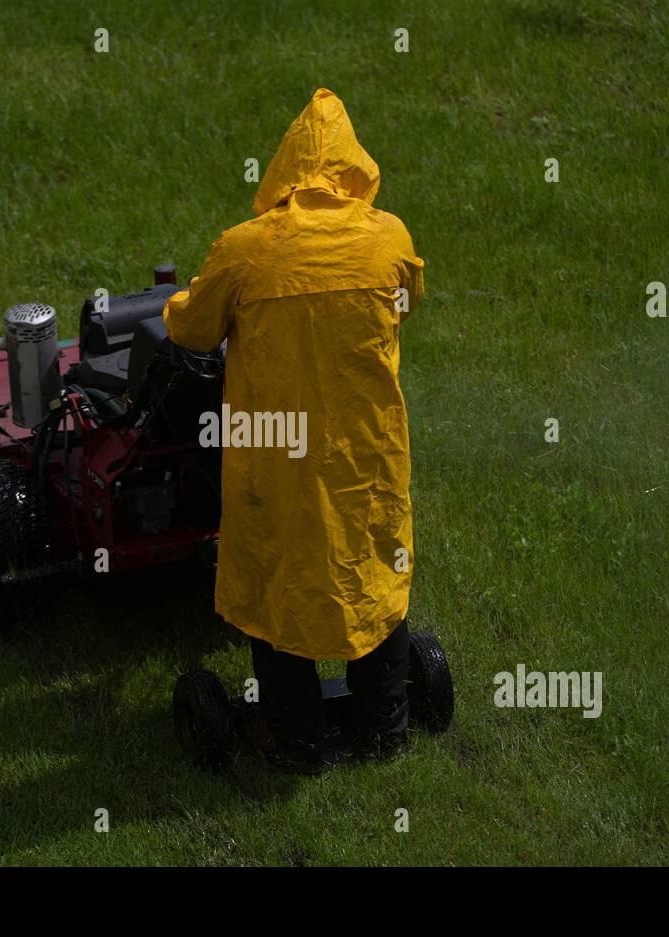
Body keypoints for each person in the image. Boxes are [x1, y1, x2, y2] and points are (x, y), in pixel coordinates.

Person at [164, 88, 424, 772]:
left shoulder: (247, 250)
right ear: (353, 167)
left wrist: (170, 304)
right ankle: (384, 731)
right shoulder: (389, 238)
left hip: (278, 455)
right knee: (371, 572)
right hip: (367, 451)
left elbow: (191, 329)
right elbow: (406, 300)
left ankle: (302, 742)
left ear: (283, 165)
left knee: (282, 580)